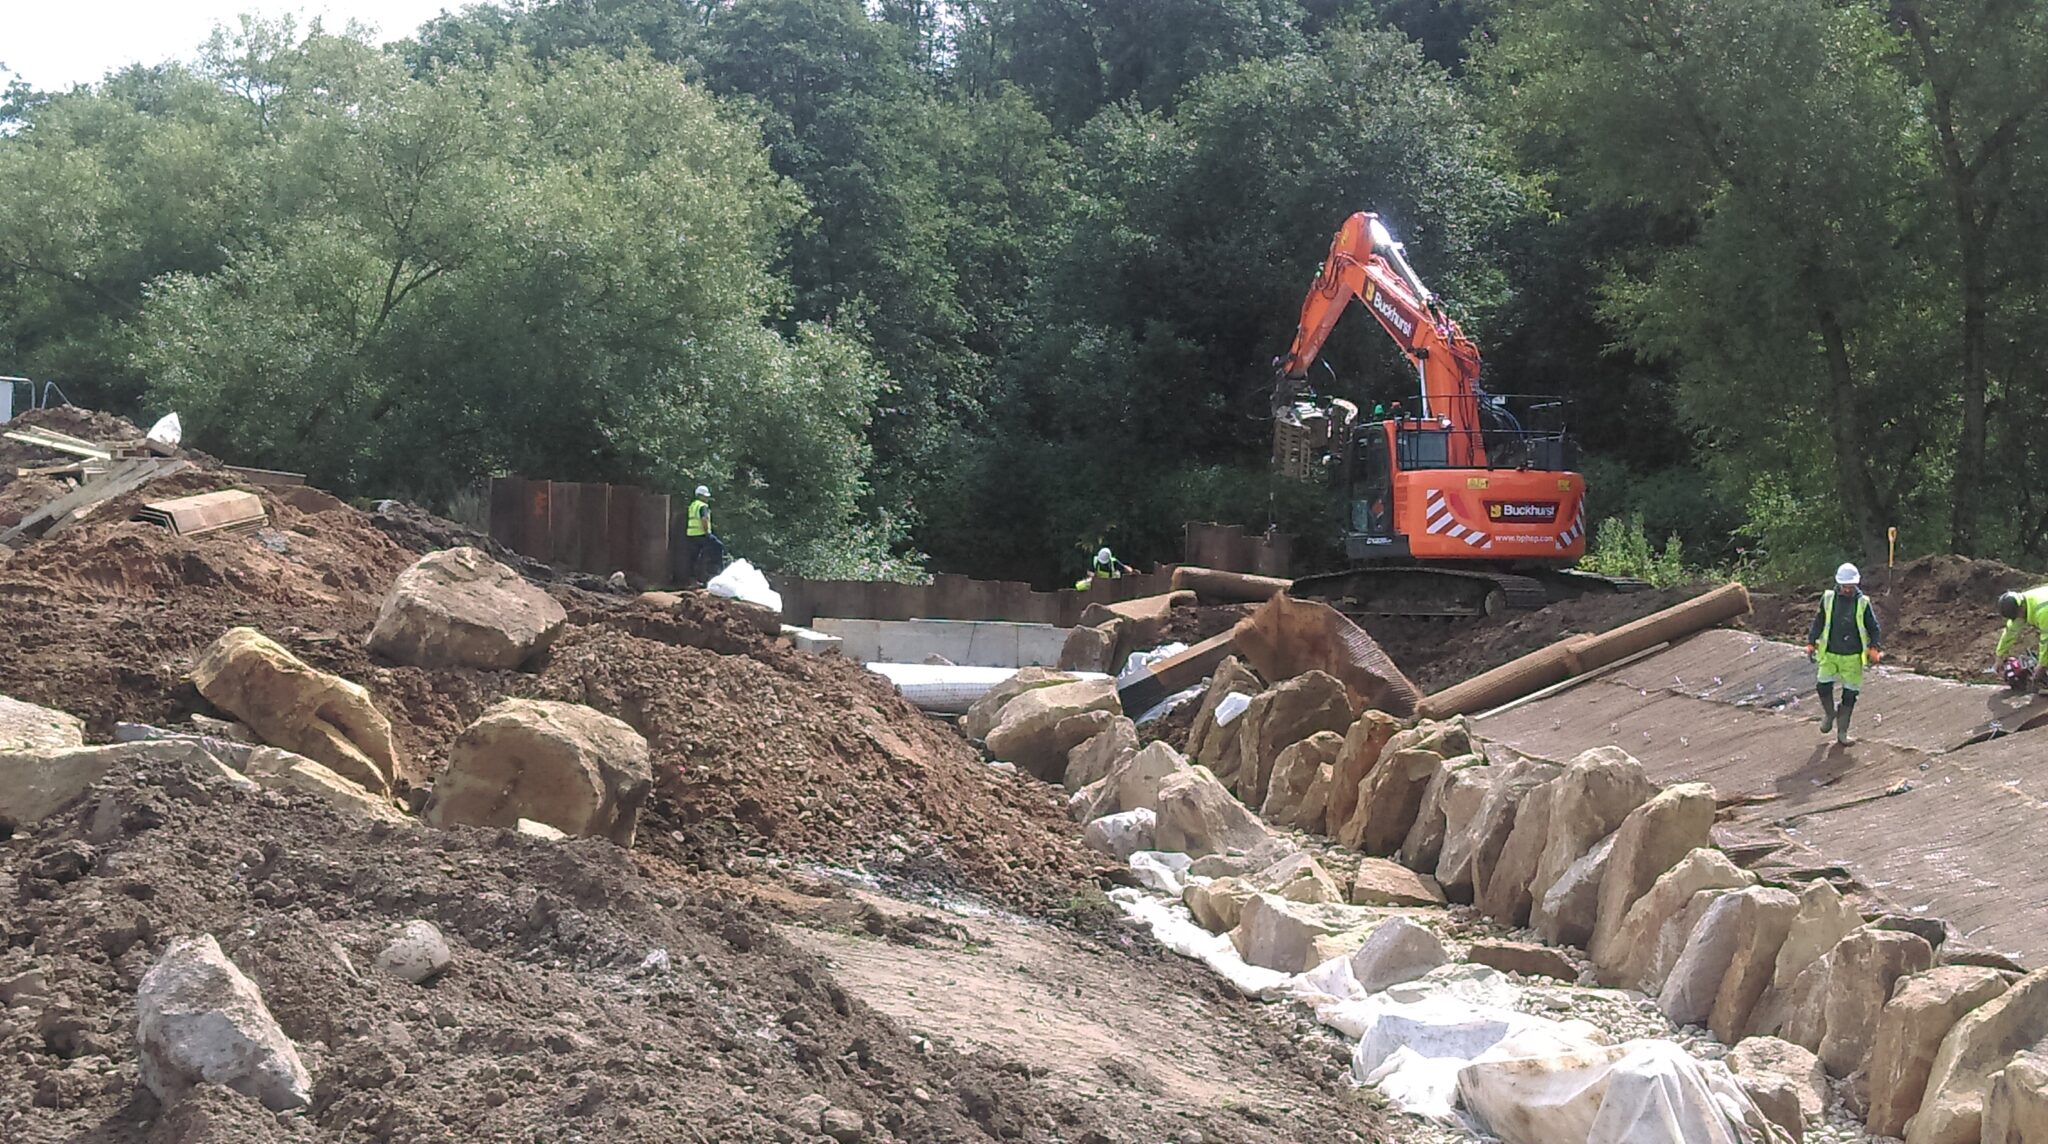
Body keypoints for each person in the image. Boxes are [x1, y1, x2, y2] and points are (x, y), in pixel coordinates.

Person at [1806, 562, 1883, 746]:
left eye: (1851, 586)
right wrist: (1811, 642)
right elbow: (1819, 621)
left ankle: (1842, 732)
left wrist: (1874, 647)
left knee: (1850, 695)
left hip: (1853, 657)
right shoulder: (1828, 599)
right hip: (1830, 653)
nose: (1848, 589)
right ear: (1839, 583)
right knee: (1822, 685)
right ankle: (1829, 713)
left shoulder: (1862, 603)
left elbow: (1874, 628)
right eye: (1845, 586)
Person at [1993, 586, 2048, 688]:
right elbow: (2011, 632)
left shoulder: (2042, 611)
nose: (2018, 618)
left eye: (2017, 615)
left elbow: (2046, 640)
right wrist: (2000, 655)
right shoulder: (2023, 604)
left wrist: (2042, 665)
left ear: (2021, 607)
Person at [682, 485, 724, 583]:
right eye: (705, 496)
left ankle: (692, 580)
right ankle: (715, 572)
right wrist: (707, 533)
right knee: (718, 547)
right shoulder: (702, 506)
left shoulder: (693, 505)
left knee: (694, 557)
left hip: (691, 535)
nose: (707, 498)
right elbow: (704, 519)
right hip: (702, 534)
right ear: (701, 496)